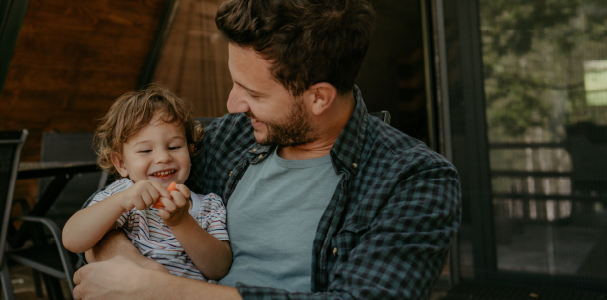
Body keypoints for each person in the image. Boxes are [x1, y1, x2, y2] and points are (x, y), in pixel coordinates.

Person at [71, 0, 461, 299]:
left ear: (318, 97)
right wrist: (135, 268)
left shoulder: (414, 180)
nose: (232, 104)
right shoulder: (232, 137)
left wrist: (165, 292)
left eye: (253, 92)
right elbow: (112, 204)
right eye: (235, 82)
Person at [62, 85, 232, 282]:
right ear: (121, 163)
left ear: (190, 151)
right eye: (145, 151)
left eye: (174, 146)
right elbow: (72, 240)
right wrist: (120, 202)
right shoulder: (122, 195)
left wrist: (182, 222)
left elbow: (219, 268)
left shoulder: (209, 205)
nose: (162, 157)